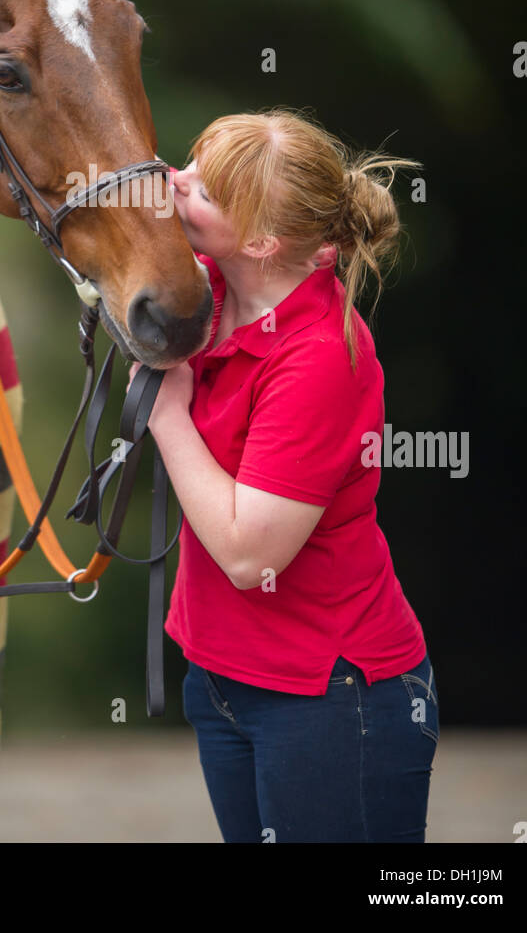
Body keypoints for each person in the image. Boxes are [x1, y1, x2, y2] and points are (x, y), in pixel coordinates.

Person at [128, 108, 438, 844]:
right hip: (220, 676)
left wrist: (167, 415)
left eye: (203, 191)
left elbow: (249, 555)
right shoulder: (205, 292)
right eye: (192, 162)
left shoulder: (320, 358)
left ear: (262, 241)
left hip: (328, 695)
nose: (176, 182)